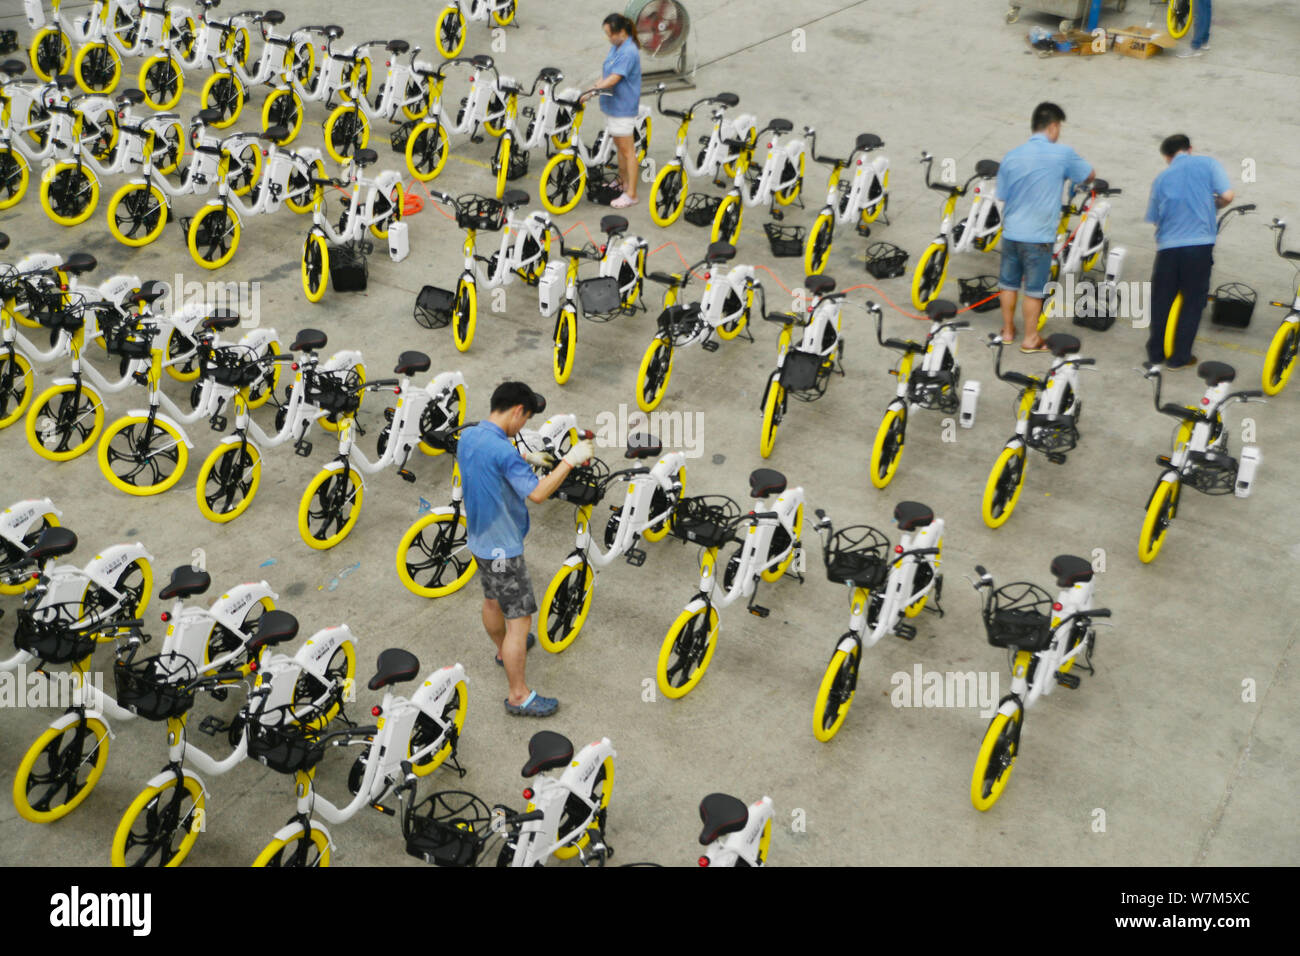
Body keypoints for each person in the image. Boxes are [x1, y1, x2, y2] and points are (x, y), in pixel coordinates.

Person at [457, 382, 594, 717]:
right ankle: (518, 695)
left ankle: (504, 653)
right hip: (503, 549)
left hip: (478, 538)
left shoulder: (470, 436)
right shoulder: (503, 451)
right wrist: (570, 461)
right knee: (520, 620)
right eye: (526, 419)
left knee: (492, 600)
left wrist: (527, 458)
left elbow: (490, 465)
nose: (523, 426)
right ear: (517, 410)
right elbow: (536, 494)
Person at [995, 102, 1094, 352]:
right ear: (1052, 127)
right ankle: (1030, 338)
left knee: (1008, 284)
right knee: (1034, 290)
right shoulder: (1062, 153)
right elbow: (1088, 174)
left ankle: (1007, 331)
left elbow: (1003, 194)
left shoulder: (1012, 155)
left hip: (1011, 233)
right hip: (1038, 236)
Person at [1144, 134, 1234, 370]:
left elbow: (1154, 218)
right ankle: (1179, 357)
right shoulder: (1208, 164)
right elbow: (1228, 196)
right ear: (1190, 149)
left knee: (1162, 300)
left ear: (1167, 157)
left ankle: (1155, 353)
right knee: (1193, 302)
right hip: (1199, 246)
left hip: (1168, 249)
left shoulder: (1161, 179)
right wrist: (1212, 205)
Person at [581, 13, 642, 209]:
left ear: (621, 32)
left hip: (623, 108)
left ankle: (631, 193)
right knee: (620, 148)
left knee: (628, 151)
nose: (608, 38)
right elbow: (607, 74)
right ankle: (622, 182)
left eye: (610, 34)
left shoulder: (629, 52)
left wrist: (592, 91)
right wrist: (593, 87)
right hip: (613, 106)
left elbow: (614, 78)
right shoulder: (617, 47)